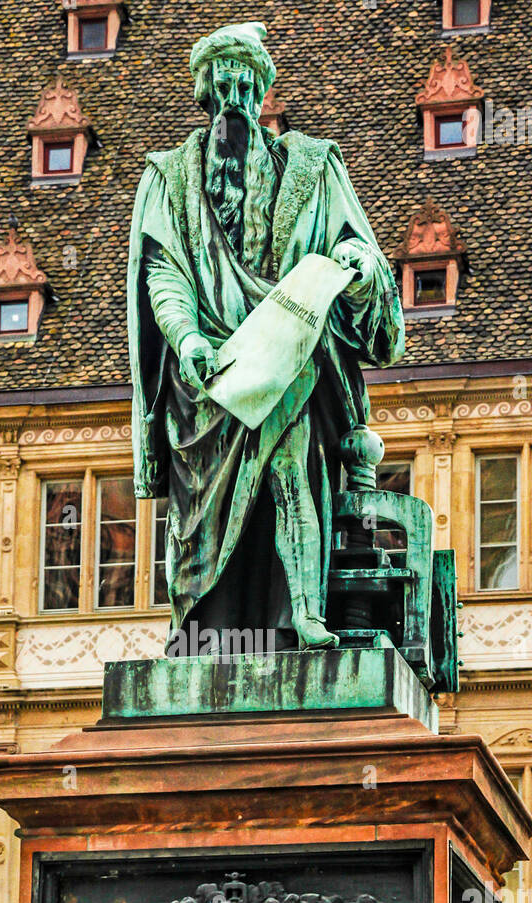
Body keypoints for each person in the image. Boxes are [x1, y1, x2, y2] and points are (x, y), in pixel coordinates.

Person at [128, 22, 404, 652]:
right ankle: (200, 632)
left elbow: (355, 249)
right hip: (209, 377)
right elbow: (164, 273)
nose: (234, 101)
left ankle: (304, 613)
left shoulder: (313, 167)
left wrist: (359, 265)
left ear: (262, 94)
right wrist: (189, 338)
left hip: (289, 356)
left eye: (245, 87)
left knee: (291, 469)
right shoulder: (170, 176)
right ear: (204, 94)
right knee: (200, 524)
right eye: (221, 87)